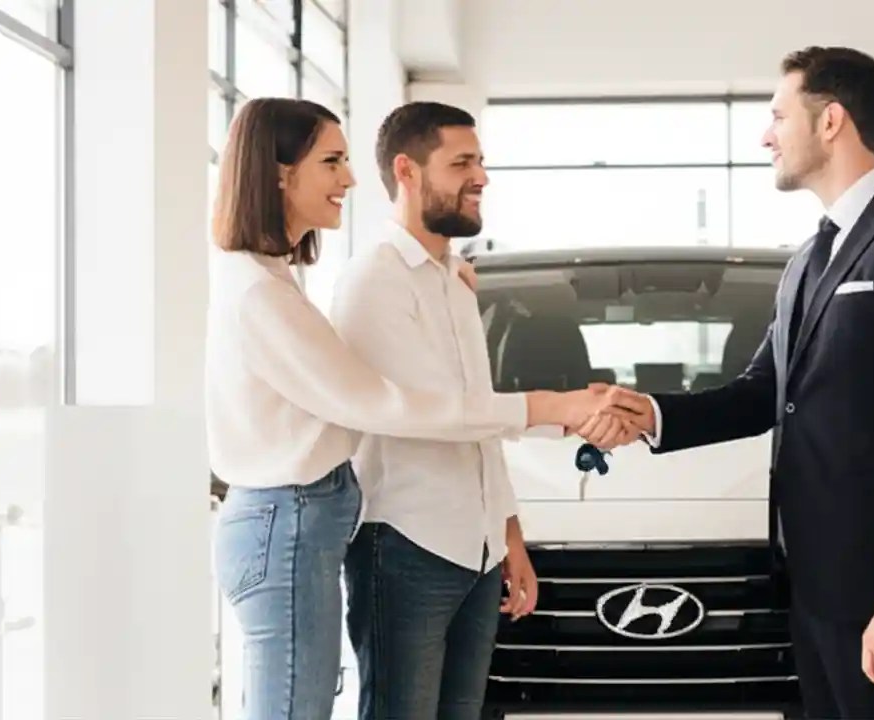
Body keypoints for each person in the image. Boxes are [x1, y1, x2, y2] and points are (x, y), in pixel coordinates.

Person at [592, 47, 874, 718]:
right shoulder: (808, 258)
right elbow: (762, 392)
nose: (765, 134)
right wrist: (652, 415)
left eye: (778, 115)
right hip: (812, 584)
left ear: (830, 120)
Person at [205, 97, 627, 720]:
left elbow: (461, 414)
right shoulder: (290, 289)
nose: (348, 179)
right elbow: (391, 408)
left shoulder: (299, 280)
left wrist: (506, 529)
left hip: (352, 524)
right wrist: (552, 407)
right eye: (332, 161)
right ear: (278, 174)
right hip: (334, 525)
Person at [330, 101, 635, 720]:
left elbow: (476, 425)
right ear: (407, 171)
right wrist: (559, 407)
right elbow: (429, 414)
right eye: (462, 162)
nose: (482, 177)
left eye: (482, 161)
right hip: (405, 544)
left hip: (475, 551)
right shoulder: (376, 280)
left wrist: (509, 534)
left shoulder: (451, 279)